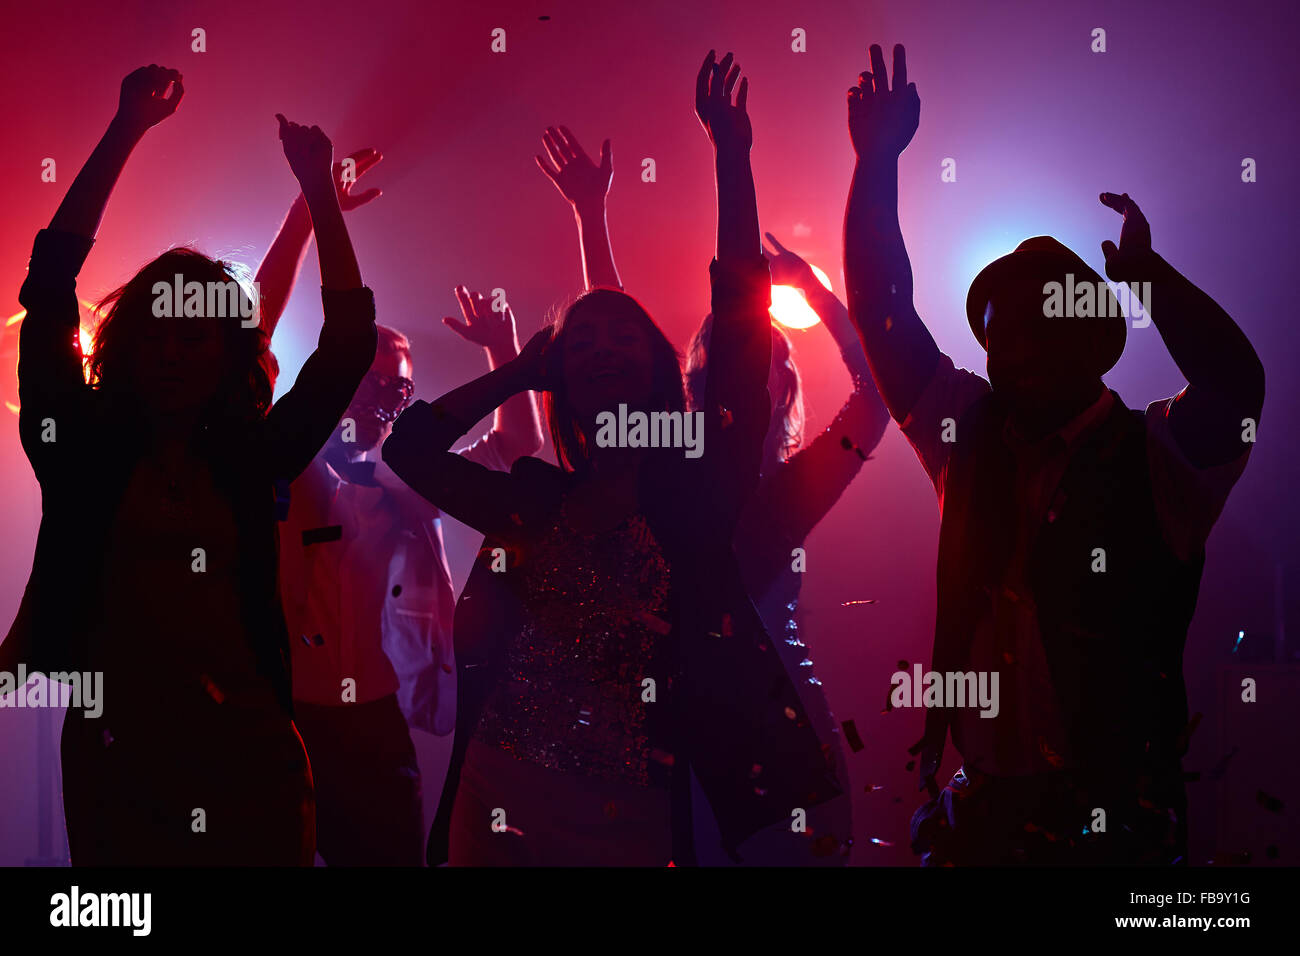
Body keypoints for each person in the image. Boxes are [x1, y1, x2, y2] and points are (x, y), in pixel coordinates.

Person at [384, 51, 839, 866]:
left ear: (662, 368)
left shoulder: (701, 481)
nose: (599, 349)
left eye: (621, 336)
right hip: (499, 796)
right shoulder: (534, 498)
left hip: (637, 814)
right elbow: (412, 450)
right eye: (580, 342)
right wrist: (520, 369)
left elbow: (737, 323)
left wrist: (731, 158)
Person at [842, 44, 1265, 865]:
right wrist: (877, 162)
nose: (1013, 353)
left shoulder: (1157, 455)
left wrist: (1149, 278)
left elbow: (1237, 387)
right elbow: (883, 314)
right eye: (1000, 336)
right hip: (985, 817)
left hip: (1114, 826)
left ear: (1093, 342)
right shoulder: (967, 434)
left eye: (1041, 326)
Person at [2, 66, 378, 865]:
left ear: (226, 351)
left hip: (250, 754)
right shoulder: (80, 447)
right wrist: (124, 129)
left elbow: (346, 346)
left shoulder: (251, 453)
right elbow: (50, 288)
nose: (171, 351)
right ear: (128, 344)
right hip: (120, 759)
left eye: (194, 334)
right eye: (157, 333)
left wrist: (320, 195)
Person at [536, 127, 888, 862]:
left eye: (771, 365)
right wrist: (590, 218)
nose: (755, 375)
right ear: (696, 385)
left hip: (780, 726)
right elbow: (620, 356)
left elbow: (876, 396)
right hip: (672, 727)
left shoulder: (792, 490)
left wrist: (819, 293)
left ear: (786, 387)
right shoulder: (671, 466)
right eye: (726, 366)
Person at [254, 157, 543, 865]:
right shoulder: (282, 457)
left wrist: (506, 352)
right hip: (285, 717)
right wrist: (306, 213)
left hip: (376, 721)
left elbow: (517, 449)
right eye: (374, 383)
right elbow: (250, 336)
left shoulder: (410, 478)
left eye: (399, 393)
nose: (386, 402)